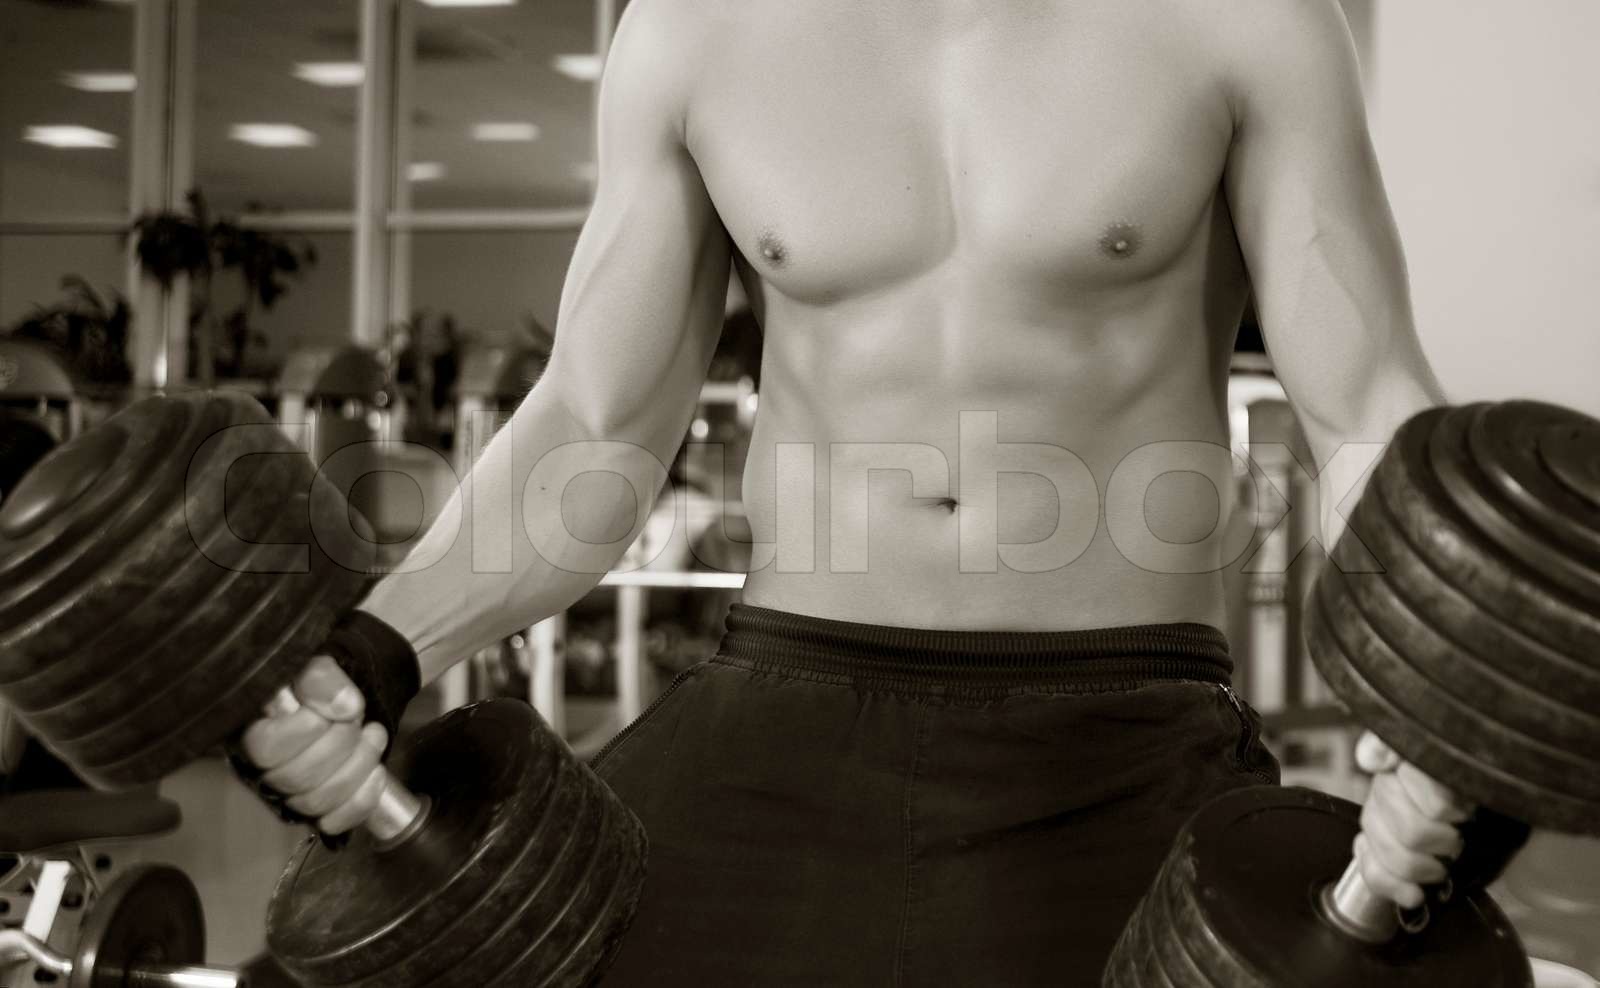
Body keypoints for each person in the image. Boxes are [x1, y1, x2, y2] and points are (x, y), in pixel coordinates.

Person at [240, 0, 1477, 981]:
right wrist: (373, 651)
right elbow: (597, 426)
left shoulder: (1241, 20)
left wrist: (1456, 693)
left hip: (1119, 726)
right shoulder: (695, 33)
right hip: (779, 703)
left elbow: (1362, 404)